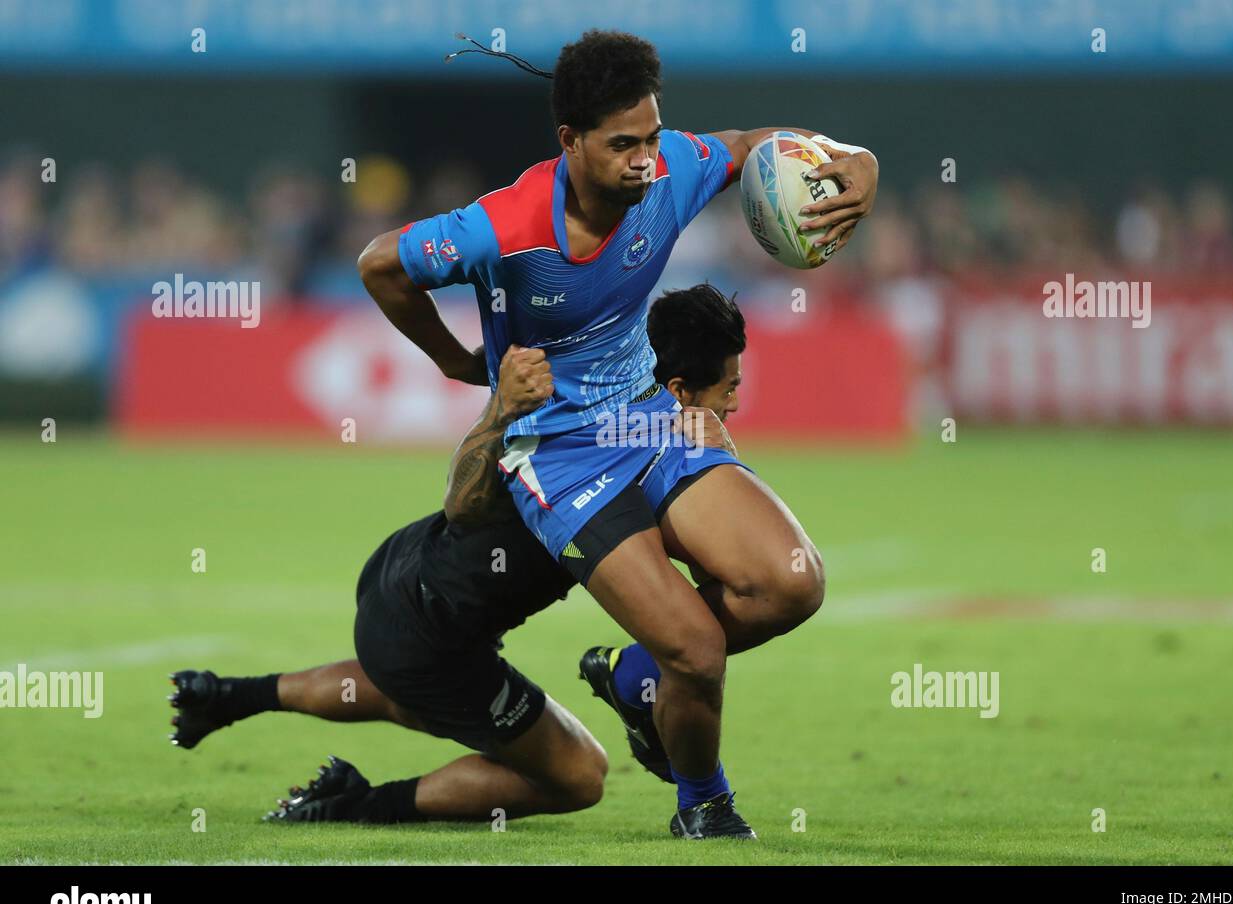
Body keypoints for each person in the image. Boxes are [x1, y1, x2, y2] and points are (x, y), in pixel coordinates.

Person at [358, 29, 877, 838]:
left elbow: (749, 146)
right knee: (698, 652)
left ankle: (638, 676)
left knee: (791, 583)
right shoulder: (505, 226)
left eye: (652, 137)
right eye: (623, 144)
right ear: (570, 142)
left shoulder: (671, 167)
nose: (645, 160)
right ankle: (703, 803)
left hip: (649, 415)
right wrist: (461, 363)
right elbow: (381, 262)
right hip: (559, 457)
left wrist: (859, 160)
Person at [168, 285, 745, 832]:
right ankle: (354, 803)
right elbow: (463, 503)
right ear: (676, 388)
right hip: (428, 626)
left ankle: (227, 696)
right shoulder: (580, 437)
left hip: (412, 588)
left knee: (407, 695)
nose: (736, 403)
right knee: (578, 777)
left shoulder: (625, 430)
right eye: (727, 390)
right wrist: (500, 408)